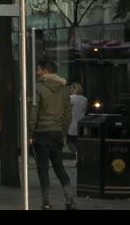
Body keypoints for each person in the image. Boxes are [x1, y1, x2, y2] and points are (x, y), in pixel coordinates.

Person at [31, 60, 76, 210]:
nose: (37, 72)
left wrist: (31, 130)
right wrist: (62, 130)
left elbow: (34, 112)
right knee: (59, 167)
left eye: (38, 69)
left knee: (43, 169)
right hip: (57, 132)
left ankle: (46, 202)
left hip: (42, 132)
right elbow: (68, 113)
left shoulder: (39, 87)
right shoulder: (64, 89)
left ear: (44, 71)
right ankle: (70, 200)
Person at [67, 82, 88, 158]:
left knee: (69, 142)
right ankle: (80, 156)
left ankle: (77, 153)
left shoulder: (71, 98)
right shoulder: (85, 99)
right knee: (78, 142)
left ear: (75, 88)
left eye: (71, 88)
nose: (69, 89)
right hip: (81, 123)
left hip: (72, 123)